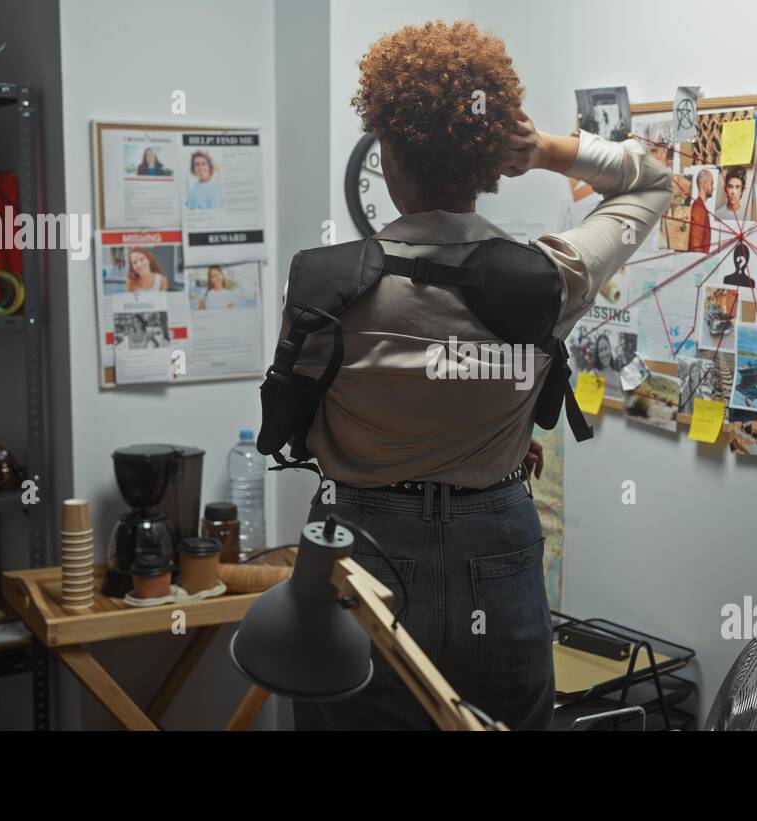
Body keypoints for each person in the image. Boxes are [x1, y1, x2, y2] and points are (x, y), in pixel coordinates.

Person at [282, 20, 670, 731]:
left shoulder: (323, 287)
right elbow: (651, 181)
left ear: (389, 155)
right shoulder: (551, 280)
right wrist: (545, 149)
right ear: (491, 163)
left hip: (359, 550)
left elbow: (298, 420)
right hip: (495, 544)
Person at [688, 168, 713, 253]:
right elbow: (696, 243)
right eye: (711, 184)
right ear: (704, 185)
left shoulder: (700, 206)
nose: (713, 188)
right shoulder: (699, 208)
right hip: (697, 260)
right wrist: (699, 264)